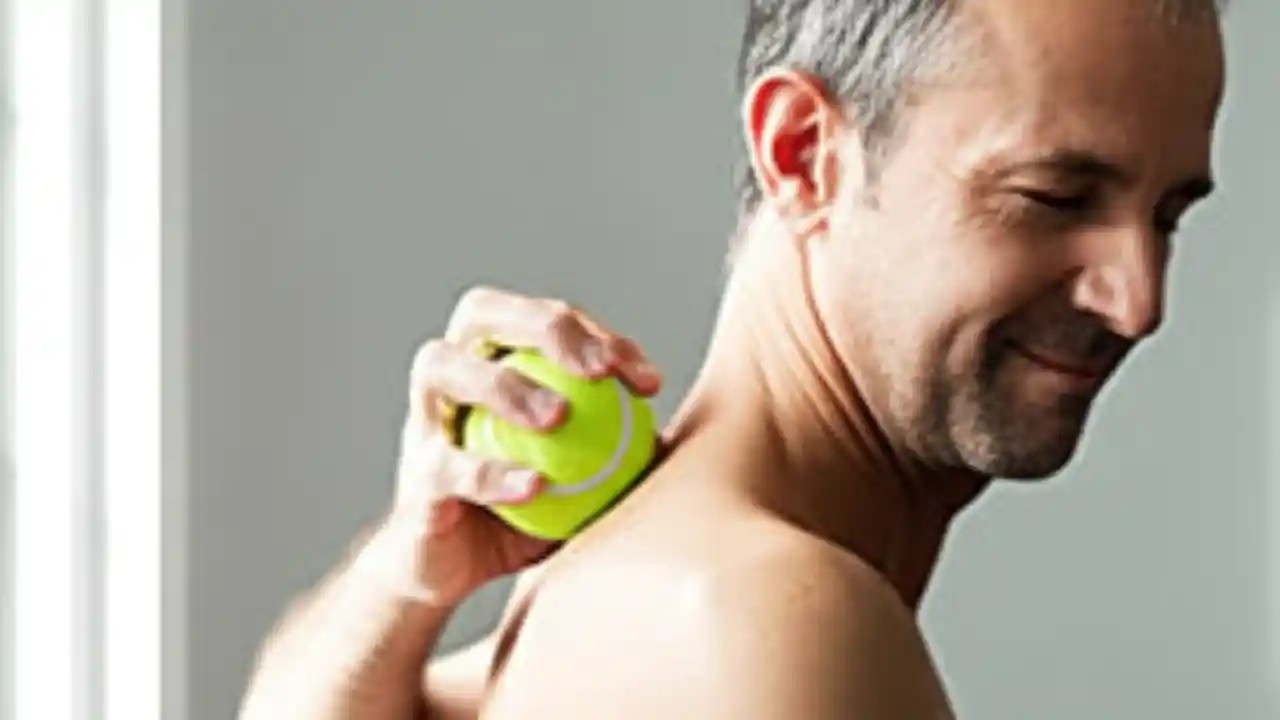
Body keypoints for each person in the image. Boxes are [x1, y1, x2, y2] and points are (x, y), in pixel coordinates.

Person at [240, 0, 1227, 717]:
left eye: (1167, 216)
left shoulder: (646, 590)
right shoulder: (768, 616)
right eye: (1052, 196)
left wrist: (396, 584)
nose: (1138, 300)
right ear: (802, 153)